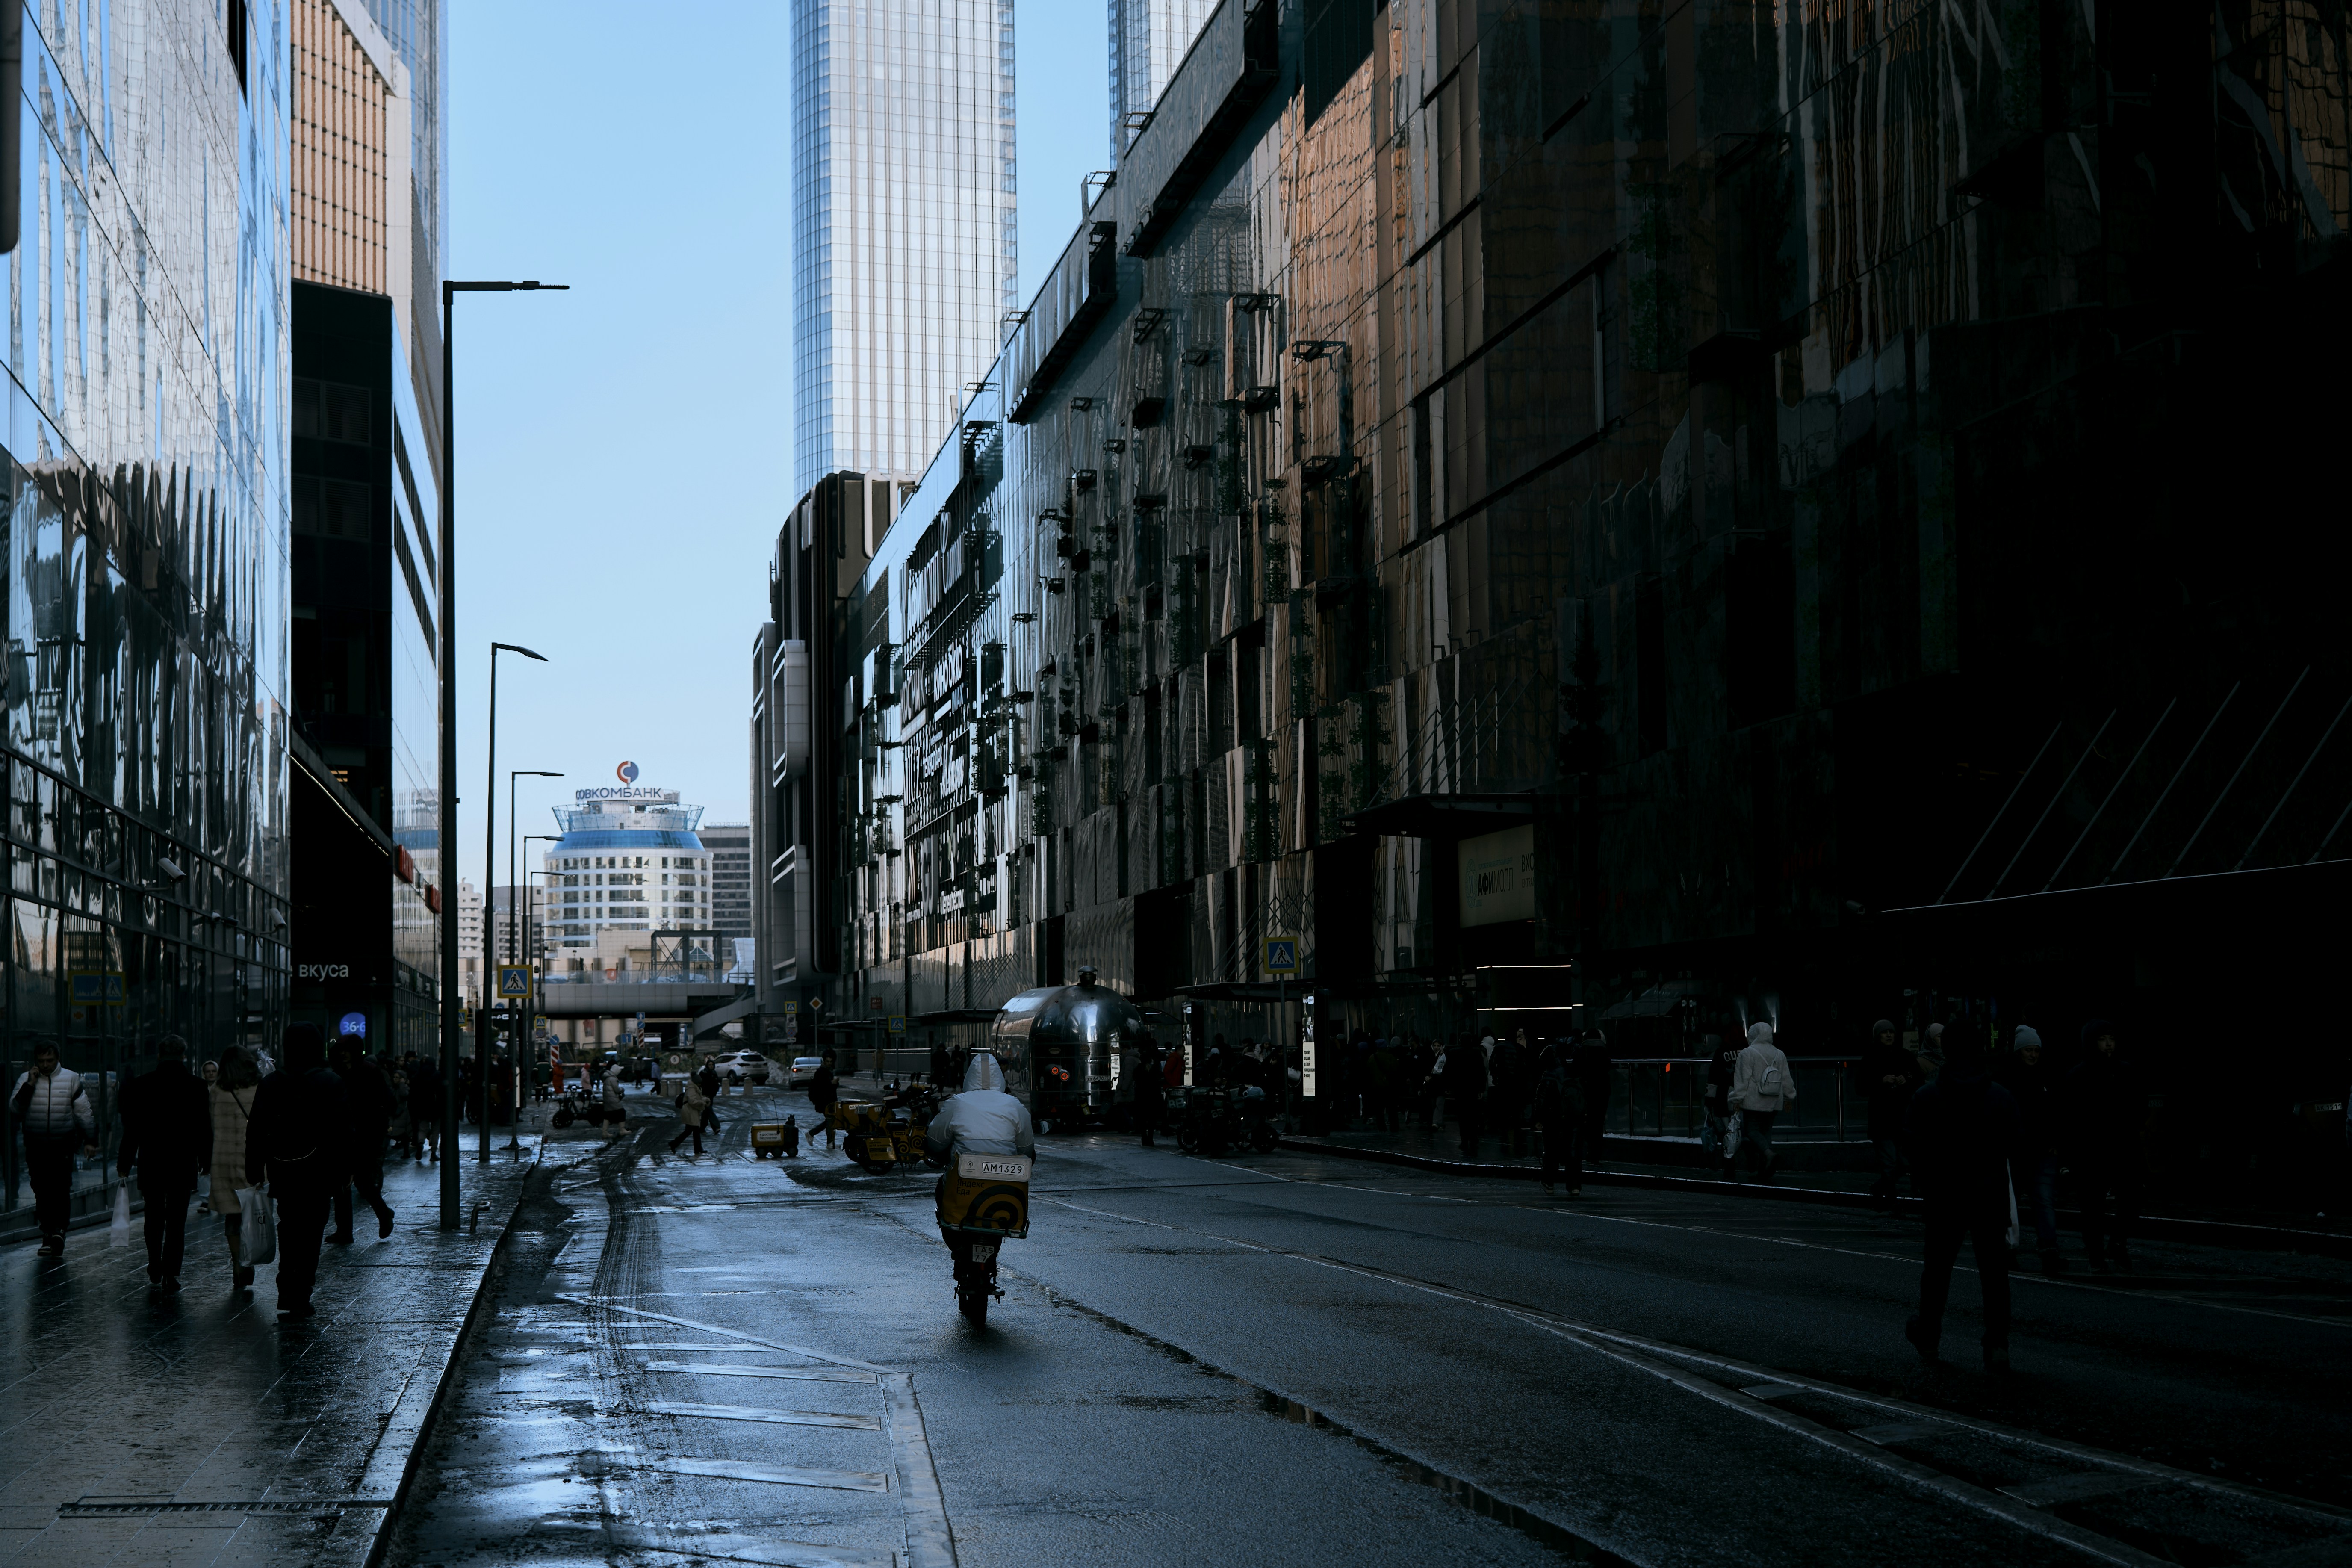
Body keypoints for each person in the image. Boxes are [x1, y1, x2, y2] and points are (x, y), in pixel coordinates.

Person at [1903, 1032, 2021, 1373]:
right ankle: (1997, 1344)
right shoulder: (2000, 1097)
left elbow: (1911, 1142)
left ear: (1947, 1053)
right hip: (1988, 1193)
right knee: (1994, 1274)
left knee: (1938, 1269)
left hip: (1945, 1194)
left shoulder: (1927, 1096)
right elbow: (2016, 1143)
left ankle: (1928, 1334)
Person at [245, 1024, 350, 1320]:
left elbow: (256, 1131)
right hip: (319, 1170)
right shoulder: (331, 1082)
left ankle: (287, 1290)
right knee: (312, 1232)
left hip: (283, 1168)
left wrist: (254, 1169)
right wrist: (345, 1171)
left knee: (289, 1227)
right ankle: (302, 1292)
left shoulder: (271, 1084)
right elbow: (342, 1132)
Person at [115, 1035, 212, 1291]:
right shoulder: (197, 1086)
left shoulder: (141, 1085)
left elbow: (132, 1129)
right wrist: (207, 1160)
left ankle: (154, 1264)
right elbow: (204, 1128)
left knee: (154, 1214)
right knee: (177, 1220)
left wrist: (125, 1161)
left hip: (153, 1160)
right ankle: (171, 1273)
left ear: (159, 1056)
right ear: (184, 1056)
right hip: (183, 1161)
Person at [2066, 1019, 2146, 1273]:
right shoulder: (2079, 1075)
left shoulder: (2127, 1071)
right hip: (2092, 1151)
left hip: (2123, 1147)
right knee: (2093, 1206)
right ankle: (2096, 1253)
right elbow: (2070, 1116)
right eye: (2103, 1039)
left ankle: (2117, 1243)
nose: (2109, 1044)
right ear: (2092, 1042)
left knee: (2132, 1195)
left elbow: (2140, 1107)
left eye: (2112, 1038)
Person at [924, 1051, 1036, 1219]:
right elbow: (1026, 1149)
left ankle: (950, 1221)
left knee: (942, 1187)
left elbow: (935, 1142)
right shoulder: (1015, 1105)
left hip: (964, 1177)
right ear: (1000, 1076)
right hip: (1006, 1181)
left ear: (970, 1077)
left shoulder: (958, 1102)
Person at [12, 1042, 97, 1258]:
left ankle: (58, 1231)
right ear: (36, 1061)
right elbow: (14, 1109)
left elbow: (83, 1111)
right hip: (36, 1144)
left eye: (50, 1061)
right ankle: (49, 1232)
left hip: (63, 1143)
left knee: (60, 1187)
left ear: (57, 1059)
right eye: (42, 1061)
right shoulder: (25, 1079)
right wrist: (30, 1084)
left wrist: (90, 1140)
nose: (46, 1065)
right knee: (41, 1190)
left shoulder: (71, 1078)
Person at [1995, 1025, 2064, 1273]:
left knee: (2023, 1201)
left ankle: (2036, 1249)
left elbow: (2056, 1112)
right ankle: (2042, 1250)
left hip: (2035, 1149)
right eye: (2029, 1051)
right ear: (2020, 1052)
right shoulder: (2017, 1078)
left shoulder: (2012, 1077)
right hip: (2023, 1150)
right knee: (2035, 1201)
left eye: (2036, 1051)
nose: (2033, 1055)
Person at [330, 1039, 397, 1243]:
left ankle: (382, 1214)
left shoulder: (369, 1071)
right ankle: (346, 1230)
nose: (343, 1055)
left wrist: (378, 1123)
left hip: (366, 1132)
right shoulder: (338, 1072)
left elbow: (387, 1101)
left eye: (347, 1051)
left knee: (361, 1180)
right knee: (343, 1182)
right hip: (345, 1131)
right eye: (340, 1051)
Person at [207, 1046, 262, 1293]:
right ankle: (251, 1256)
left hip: (224, 1161)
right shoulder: (260, 1089)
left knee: (232, 1214)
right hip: (254, 1158)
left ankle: (237, 1261)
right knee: (254, 1209)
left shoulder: (217, 1091)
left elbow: (211, 1124)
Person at [1728, 1022, 1796, 1181]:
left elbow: (1742, 1080)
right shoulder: (1779, 1054)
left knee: (1751, 1131)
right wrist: (1789, 1098)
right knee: (1766, 1133)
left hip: (1754, 1101)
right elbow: (1786, 1079)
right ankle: (1764, 1170)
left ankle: (1768, 1155)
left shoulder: (1747, 1053)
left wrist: (1737, 1099)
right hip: (1774, 1101)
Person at [1864, 1019, 1915, 1208]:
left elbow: (1915, 1077)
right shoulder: (1871, 1057)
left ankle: (1881, 1188)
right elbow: (1861, 1086)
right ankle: (1891, 1196)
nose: (1889, 1036)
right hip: (1882, 1118)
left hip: (1901, 1117)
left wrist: (1906, 1079)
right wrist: (1881, 1081)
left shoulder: (1905, 1056)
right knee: (1890, 1161)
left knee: (1902, 1162)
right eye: (1884, 1033)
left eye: (1891, 1032)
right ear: (1878, 1036)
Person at [1534, 1038, 1586, 1195]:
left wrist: (1538, 1119)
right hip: (1574, 1118)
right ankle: (1574, 1185)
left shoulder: (1549, 1076)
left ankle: (1549, 1183)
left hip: (1554, 1119)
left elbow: (1541, 1100)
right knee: (1573, 1151)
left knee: (1551, 1151)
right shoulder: (1573, 1073)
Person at [1444, 1032, 1488, 1158]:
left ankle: (1464, 1140)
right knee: (1473, 1114)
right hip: (1472, 1089)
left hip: (1459, 1089)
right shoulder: (1476, 1053)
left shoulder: (1454, 1053)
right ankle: (1474, 1138)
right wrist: (1481, 1089)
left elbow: (1448, 1070)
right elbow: (1481, 1071)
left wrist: (1447, 1087)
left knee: (1462, 1115)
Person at [1576, 1032, 1614, 1169]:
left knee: (1583, 1122)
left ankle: (1583, 1151)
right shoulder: (1604, 1050)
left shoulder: (1581, 1050)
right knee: (1598, 1122)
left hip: (1585, 1089)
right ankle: (1595, 1154)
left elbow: (1576, 1068)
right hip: (1602, 1090)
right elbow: (1608, 1067)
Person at [1700, 1035, 1738, 1160]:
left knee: (1726, 1130)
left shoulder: (1720, 1053)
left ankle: (1728, 1159)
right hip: (1743, 1097)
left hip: (1722, 1099)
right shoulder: (1746, 1051)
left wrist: (1709, 1101)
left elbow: (1713, 1079)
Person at [407, 1053, 443, 1162]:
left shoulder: (419, 1074)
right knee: (436, 1130)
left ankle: (420, 1143)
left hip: (422, 1107)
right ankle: (434, 1152)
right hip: (436, 1107)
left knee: (423, 1128)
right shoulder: (437, 1075)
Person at [1132, 1036, 1166, 1147]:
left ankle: (1144, 1136)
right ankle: (1150, 1138)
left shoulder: (1138, 1070)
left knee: (1143, 1118)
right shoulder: (1155, 1070)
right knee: (1152, 1118)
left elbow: (1135, 1079)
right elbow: (1160, 1077)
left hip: (1142, 1097)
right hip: (1153, 1096)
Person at [670, 1072, 710, 1155]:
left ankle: (675, 1144)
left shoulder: (695, 1088)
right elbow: (693, 1101)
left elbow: (698, 1098)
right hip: (690, 1111)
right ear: (696, 1083)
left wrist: (705, 1099)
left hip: (691, 1111)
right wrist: (703, 1103)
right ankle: (697, 1149)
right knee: (694, 1130)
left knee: (690, 1131)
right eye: (699, 1083)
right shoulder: (692, 1089)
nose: (700, 1084)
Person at [809, 1055, 840, 1149]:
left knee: (830, 1120)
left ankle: (814, 1135)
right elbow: (822, 1088)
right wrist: (832, 1083)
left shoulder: (828, 1071)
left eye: (831, 1061)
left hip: (830, 1100)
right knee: (830, 1120)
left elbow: (831, 1088)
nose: (829, 1063)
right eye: (828, 1061)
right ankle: (829, 1143)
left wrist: (835, 1083)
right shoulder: (821, 1072)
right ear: (824, 1062)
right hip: (825, 1101)